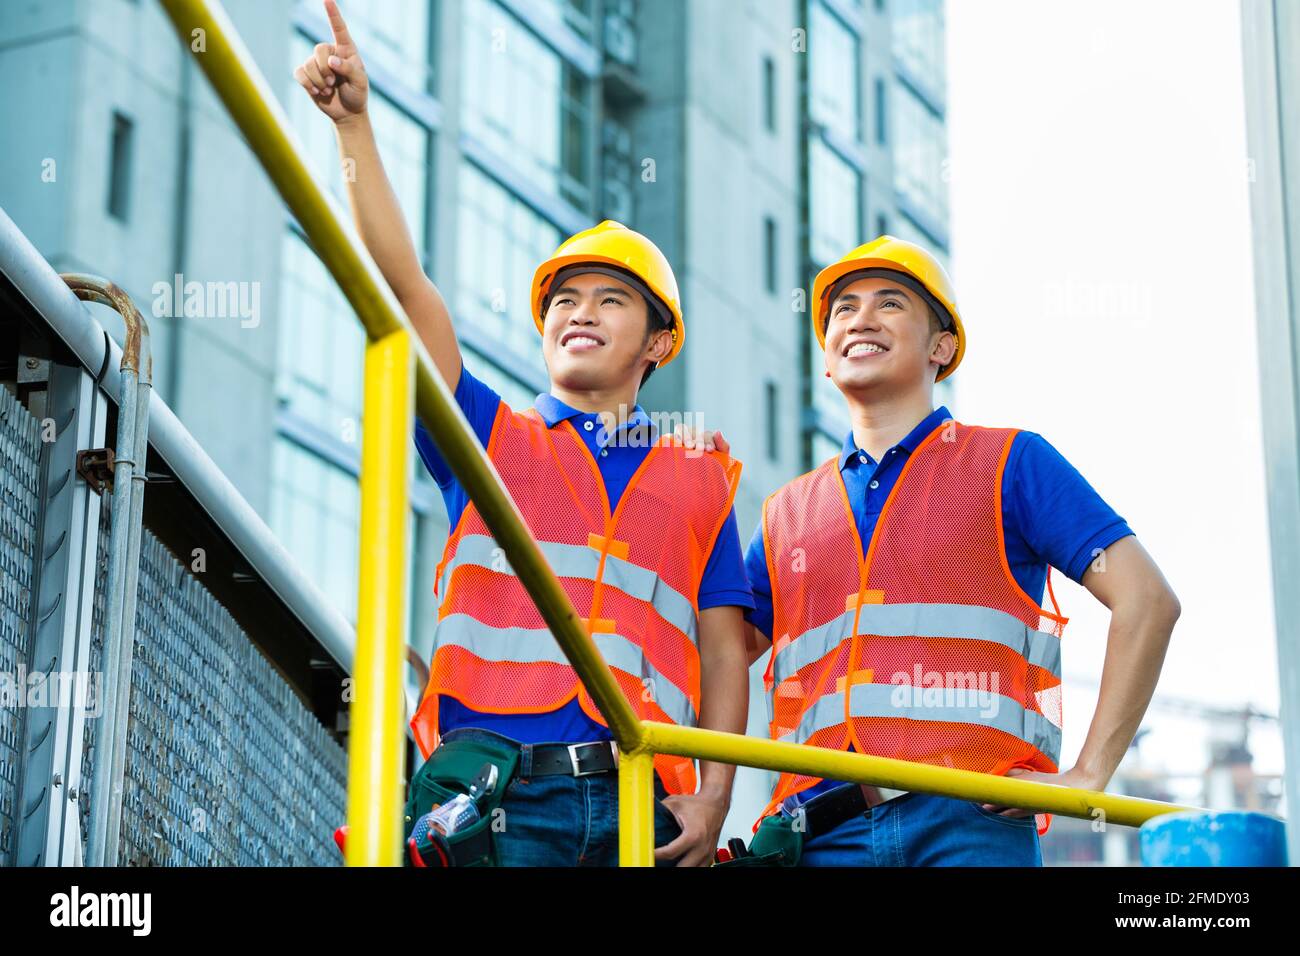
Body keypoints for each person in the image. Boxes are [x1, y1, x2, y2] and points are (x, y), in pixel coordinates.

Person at [295, 0, 751, 866]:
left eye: (609, 299)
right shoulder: (488, 436)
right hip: (498, 796)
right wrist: (355, 129)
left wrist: (715, 797)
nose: (580, 313)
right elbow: (406, 289)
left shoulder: (700, 476)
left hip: (638, 800)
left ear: (658, 342)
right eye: (563, 302)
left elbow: (726, 649)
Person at [738, 235, 1180, 866]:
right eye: (843, 309)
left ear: (942, 347)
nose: (861, 318)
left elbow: (1147, 599)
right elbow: (712, 654)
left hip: (970, 821)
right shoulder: (785, 514)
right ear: (828, 359)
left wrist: (1088, 778)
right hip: (820, 835)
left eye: (890, 304)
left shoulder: (1010, 464)